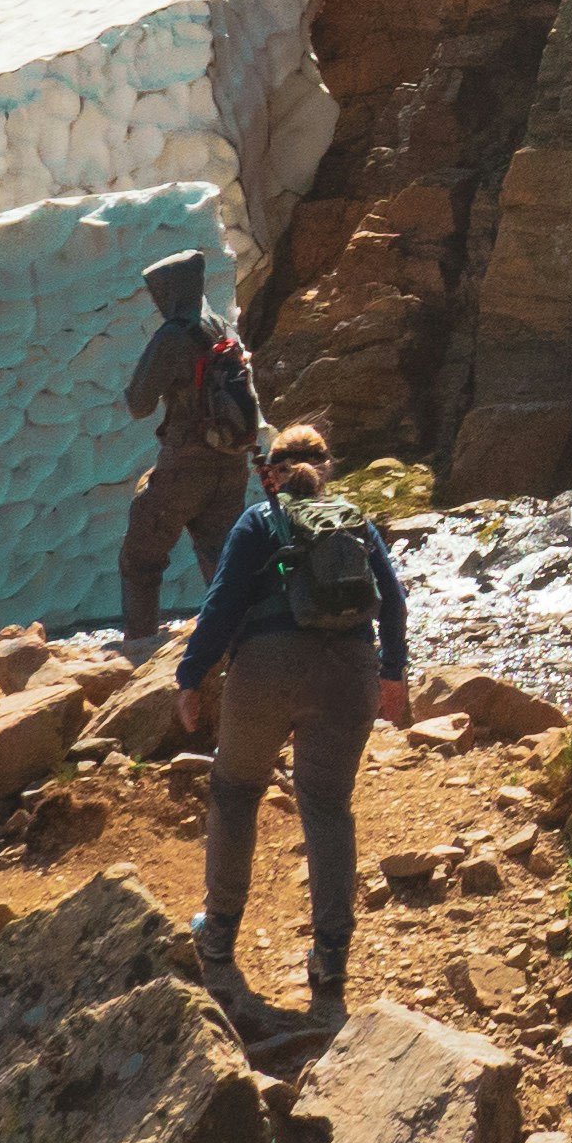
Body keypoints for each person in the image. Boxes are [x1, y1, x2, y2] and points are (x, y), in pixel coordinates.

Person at [174, 420, 413, 1022]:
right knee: (328, 807)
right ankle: (330, 961)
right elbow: (395, 602)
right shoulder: (355, 521)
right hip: (350, 673)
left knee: (235, 789)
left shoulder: (258, 523)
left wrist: (191, 676)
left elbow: (223, 603)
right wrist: (392, 673)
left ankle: (220, 935)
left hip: (268, 669)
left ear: (271, 474)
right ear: (326, 468)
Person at [117, 250, 260, 650]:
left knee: (141, 557)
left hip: (186, 467)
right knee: (222, 562)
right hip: (231, 466)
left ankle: (139, 651)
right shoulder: (221, 328)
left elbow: (138, 404)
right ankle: (241, 647)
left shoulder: (172, 336)